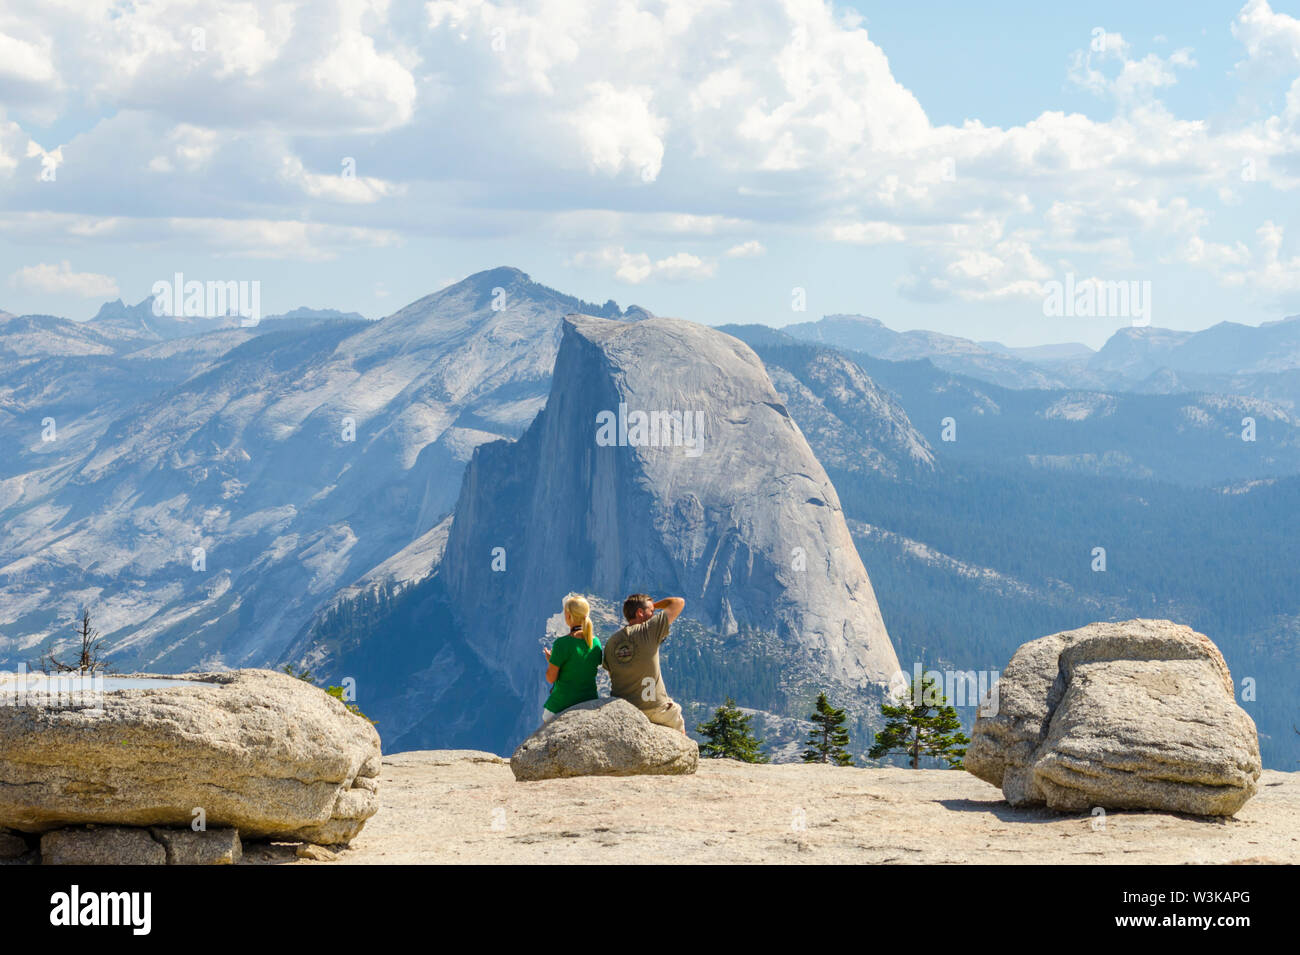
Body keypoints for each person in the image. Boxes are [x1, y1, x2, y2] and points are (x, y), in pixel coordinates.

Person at [602, 593, 687, 734]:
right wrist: (655, 604)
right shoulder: (649, 630)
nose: (654, 615)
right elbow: (678, 602)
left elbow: (611, 672)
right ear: (640, 613)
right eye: (652, 611)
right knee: (677, 719)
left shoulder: (611, 642)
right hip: (655, 708)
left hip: (624, 709)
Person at [541, 593, 603, 724]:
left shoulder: (561, 644)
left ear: (568, 616)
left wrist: (552, 662)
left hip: (562, 703)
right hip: (589, 700)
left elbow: (551, 678)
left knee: (545, 718)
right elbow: (581, 665)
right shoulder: (596, 642)